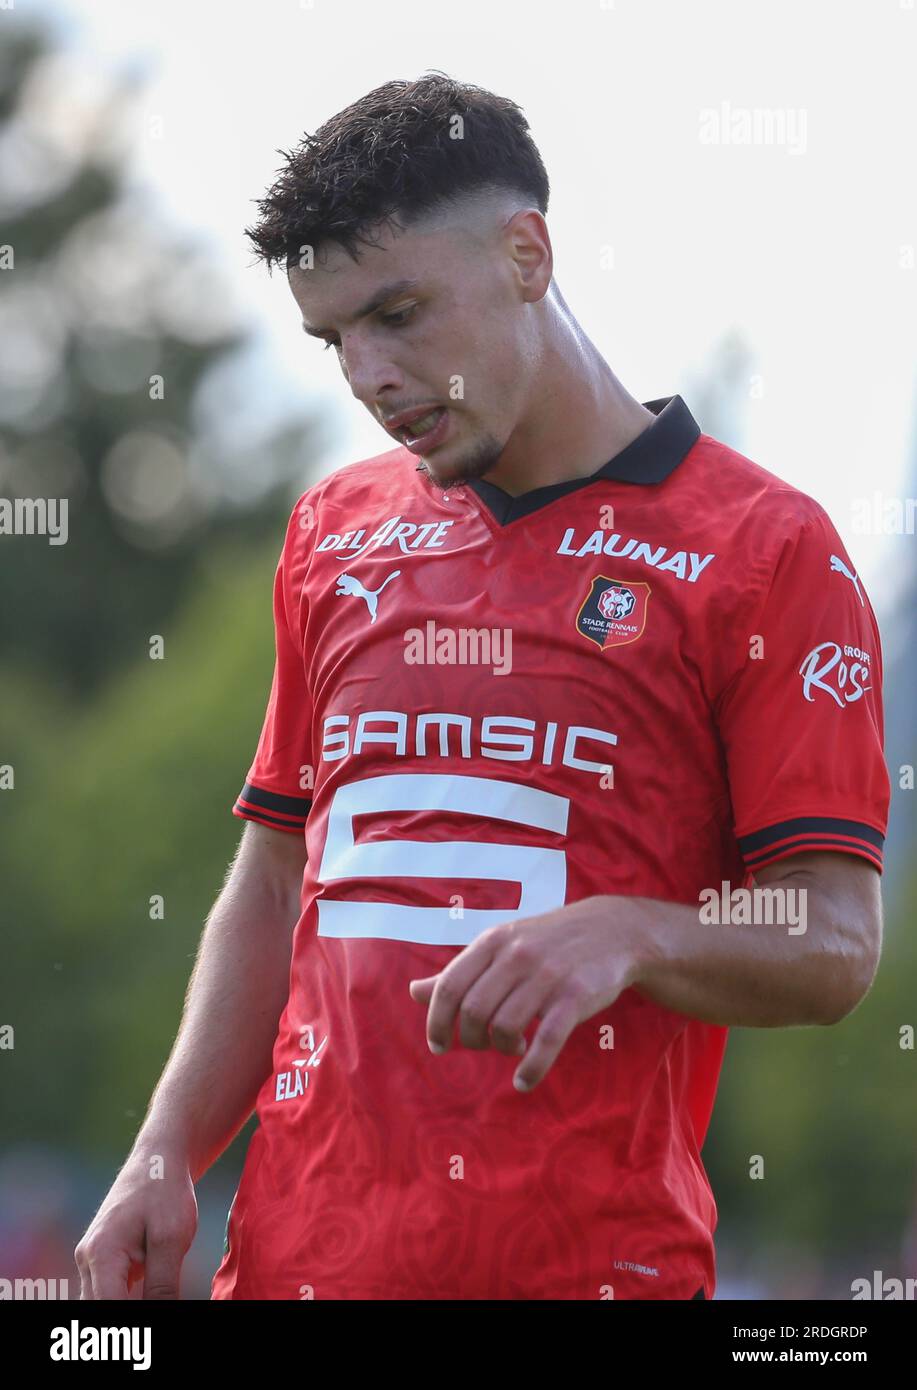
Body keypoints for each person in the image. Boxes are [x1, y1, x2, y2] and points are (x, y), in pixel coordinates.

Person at [75, 72, 890, 1302]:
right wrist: (164, 1145)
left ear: (527, 254)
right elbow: (281, 872)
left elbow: (832, 937)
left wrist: (637, 931)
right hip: (291, 1269)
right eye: (333, 335)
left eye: (398, 312)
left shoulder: (763, 552)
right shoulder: (332, 535)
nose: (366, 371)